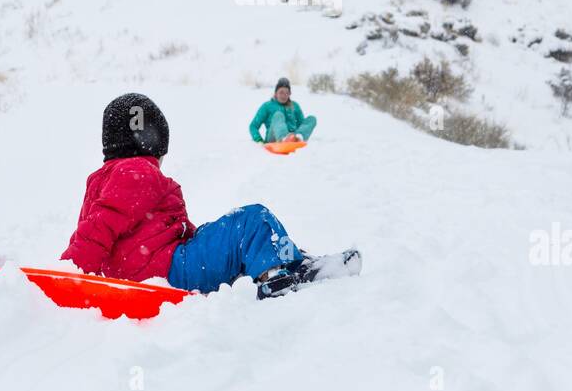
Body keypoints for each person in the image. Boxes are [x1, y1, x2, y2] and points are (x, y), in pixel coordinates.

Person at [61, 93, 357, 299]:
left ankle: (300, 263)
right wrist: (67, 275)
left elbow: (101, 226)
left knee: (238, 237)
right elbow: (100, 228)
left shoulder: (108, 177)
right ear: (151, 144)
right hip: (168, 271)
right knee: (252, 221)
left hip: (149, 267)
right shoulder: (138, 172)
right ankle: (277, 277)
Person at [249, 77, 317, 144]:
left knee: (312, 119)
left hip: (293, 136)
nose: (284, 95)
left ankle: (298, 138)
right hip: (273, 139)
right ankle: (283, 138)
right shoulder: (267, 106)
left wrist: (300, 133)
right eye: (281, 92)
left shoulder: (295, 106)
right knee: (278, 115)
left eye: (287, 93)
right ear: (275, 93)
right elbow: (253, 126)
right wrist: (259, 140)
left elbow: (302, 124)